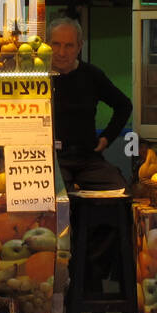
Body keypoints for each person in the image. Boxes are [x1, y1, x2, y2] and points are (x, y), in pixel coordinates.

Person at [49, 17, 132, 191]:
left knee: (120, 191)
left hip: (88, 159)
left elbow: (124, 105)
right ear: (46, 45)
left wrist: (107, 137)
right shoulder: (37, 77)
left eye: (69, 45)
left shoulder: (92, 75)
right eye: (56, 44)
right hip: (51, 160)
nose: (61, 52)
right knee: (58, 197)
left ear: (79, 47)